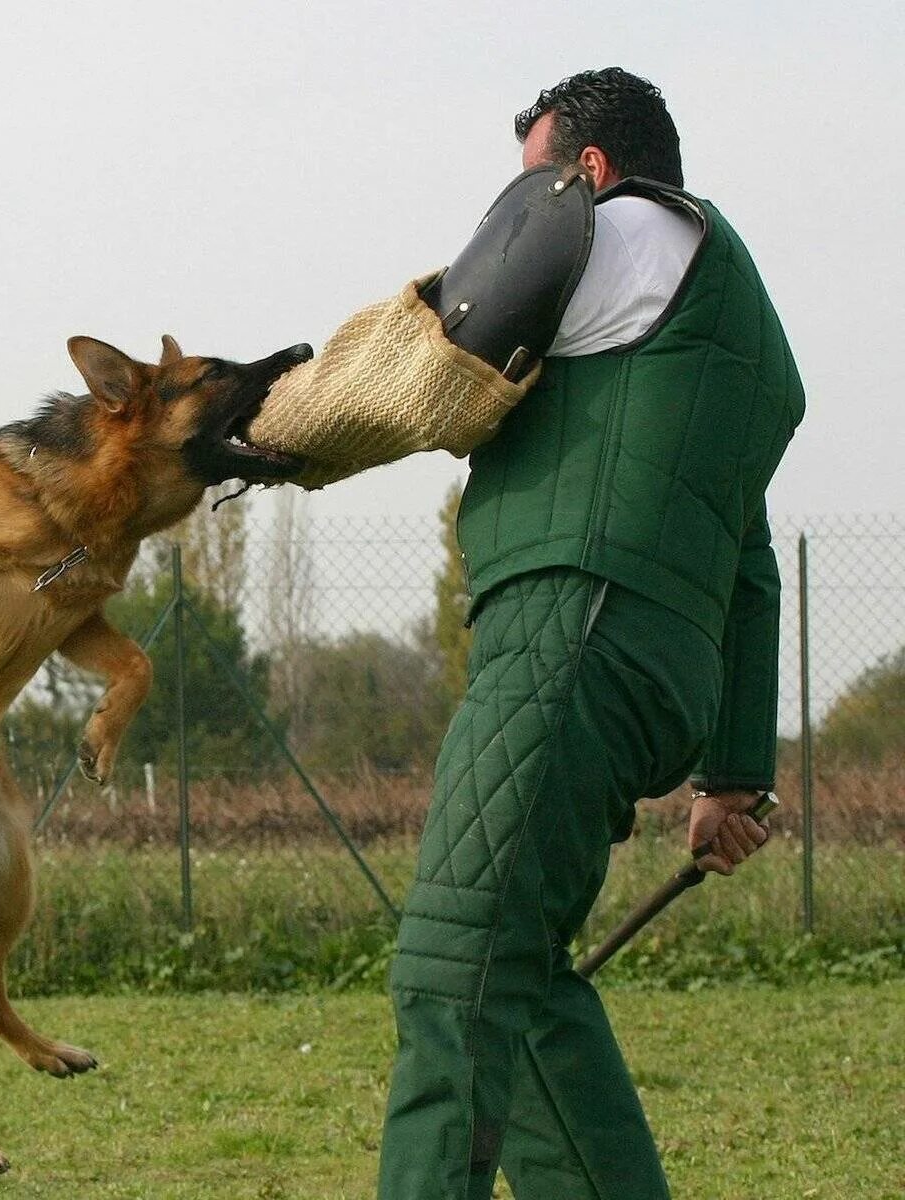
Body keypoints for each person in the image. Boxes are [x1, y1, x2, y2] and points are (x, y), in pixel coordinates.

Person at [376, 68, 806, 1200]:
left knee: (452, 973)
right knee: (516, 979)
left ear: (591, 171)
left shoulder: (619, 235)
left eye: (537, 181)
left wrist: (241, 428)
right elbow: (749, 563)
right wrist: (734, 773)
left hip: (571, 629)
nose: (523, 211)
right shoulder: (722, 328)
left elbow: (421, 362)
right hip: (636, 656)